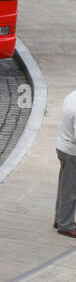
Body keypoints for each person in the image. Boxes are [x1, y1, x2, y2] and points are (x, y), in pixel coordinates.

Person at [57, 89, 76, 236]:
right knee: (70, 191)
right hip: (72, 152)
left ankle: (60, 219)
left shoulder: (71, 95)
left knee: (64, 187)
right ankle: (66, 225)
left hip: (62, 146)